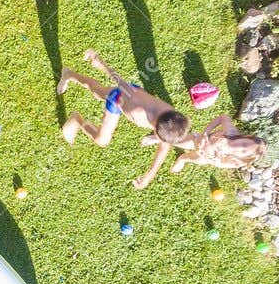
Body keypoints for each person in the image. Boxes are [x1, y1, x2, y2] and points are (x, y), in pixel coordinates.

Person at [58, 49, 193, 190]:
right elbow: (122, 85)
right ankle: (76, 118)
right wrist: (101, 64)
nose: (163, 142)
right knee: (101, 137)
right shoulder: (138, 110)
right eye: (159, 138)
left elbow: (165, 145)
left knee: (97, 91)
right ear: (157, 130)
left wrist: (149, 175)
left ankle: (69, 74)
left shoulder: (170, 117)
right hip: (118, 98)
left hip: (133, 95)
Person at [169, 114, 266, 175]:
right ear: (244, 137)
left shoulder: (236, 161)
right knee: (174, 139)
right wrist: (204, 133)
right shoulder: (230, 133)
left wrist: (216, 160)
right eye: (244, 143)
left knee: (190, 157)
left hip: (205, 157)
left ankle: (182, 159)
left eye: (243, 151)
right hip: (198, 140)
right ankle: (159, 137)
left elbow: (222, 165)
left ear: (244, 157)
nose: (239, 147)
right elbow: (223, 117)